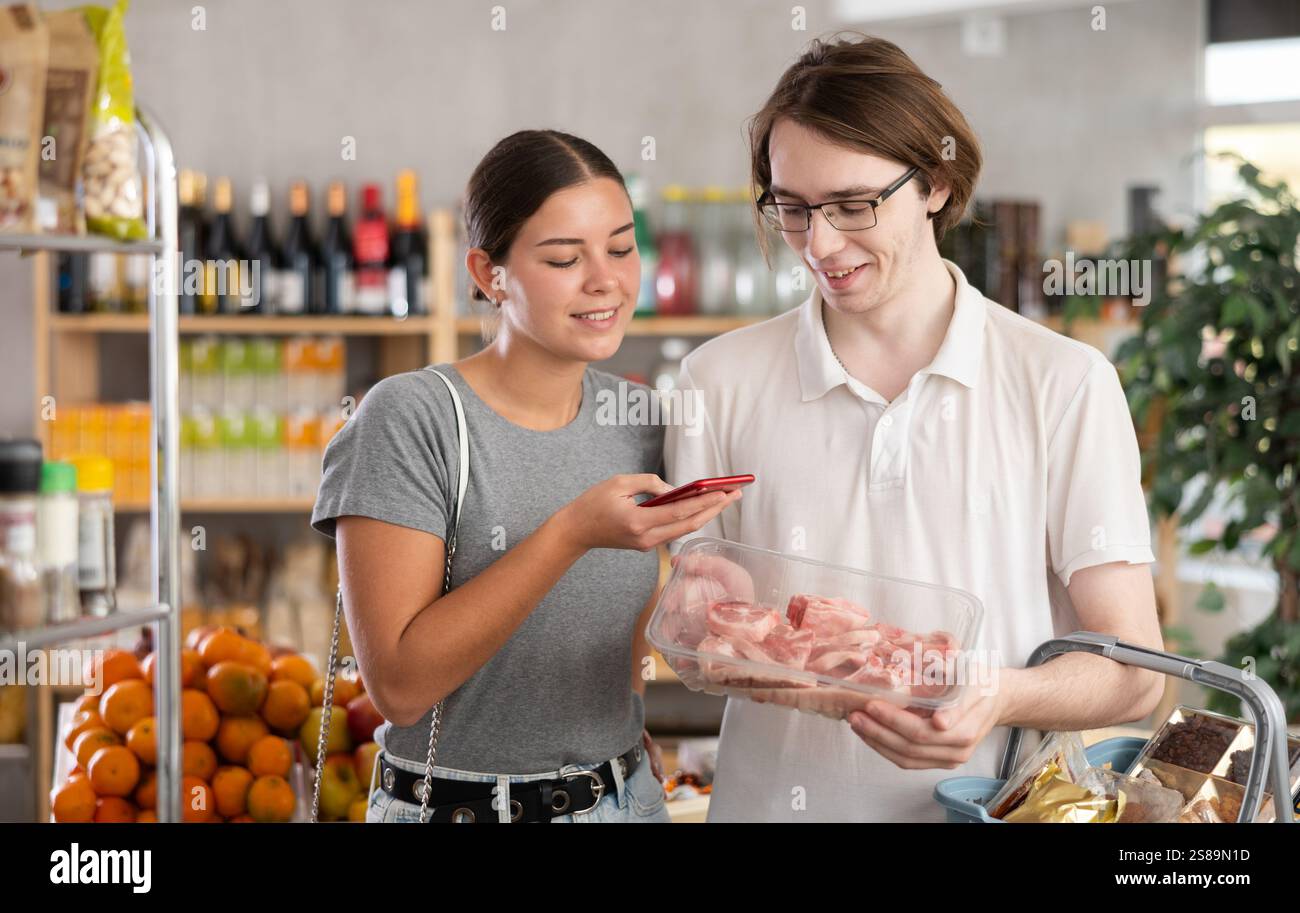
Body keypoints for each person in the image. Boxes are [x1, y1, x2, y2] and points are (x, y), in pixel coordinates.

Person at [665, 34, 1164, 822]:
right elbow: (700, 640)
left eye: (854, 205)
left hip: (980, 809)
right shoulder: (714, 382)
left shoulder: (1064, 382)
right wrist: (703, 620)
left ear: (934, 181)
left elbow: (1137, 671)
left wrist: (995, 694)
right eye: (792, 208)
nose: (820, 245)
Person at [312, 129, 739, 823]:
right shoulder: (414, 417)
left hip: (623, 799)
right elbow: (399, 685)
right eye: (565, 258)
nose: (605, 280)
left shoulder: (640, 418)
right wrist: (570, 533)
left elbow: (617, 618)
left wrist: (619, 726)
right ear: (489, 274)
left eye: (623, 248)